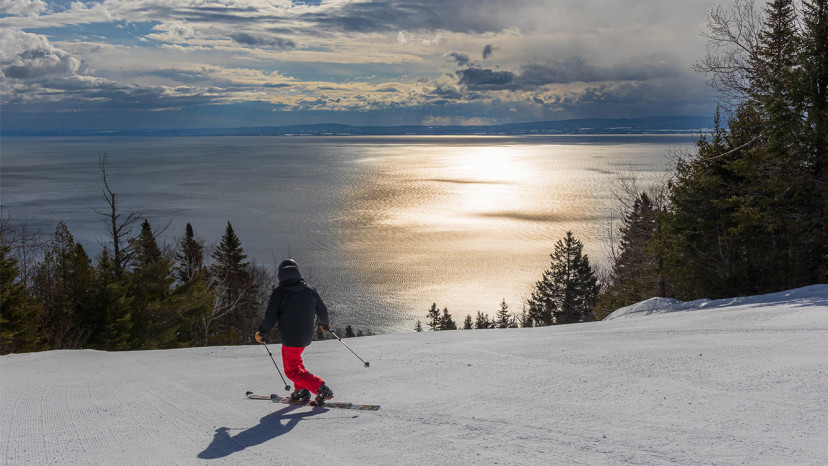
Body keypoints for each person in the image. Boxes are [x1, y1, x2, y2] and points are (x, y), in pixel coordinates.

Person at [255, 259, 334, 404]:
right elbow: (322, 311)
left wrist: (261, 332)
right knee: (296, 363)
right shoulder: (310, 290)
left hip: (290, 338)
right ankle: (301, 391)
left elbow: (270, 316)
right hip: (306, 337)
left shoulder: (279, 293)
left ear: (280, 274)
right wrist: (325, 324)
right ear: (298, 272)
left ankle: (321, 388)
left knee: (291, 371)